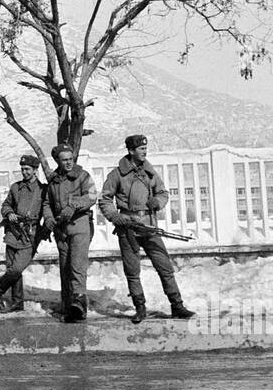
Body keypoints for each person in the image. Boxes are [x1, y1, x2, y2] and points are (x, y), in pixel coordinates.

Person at [98, 134, 196, 323]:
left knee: (165, 266)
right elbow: (104, 199)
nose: (145, 151)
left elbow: (163, 192)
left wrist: (157, 201)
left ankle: (177, 305)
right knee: (133, 271)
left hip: (149, 226)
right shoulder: (117, 174)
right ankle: (140, 307)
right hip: (128, 227)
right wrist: (116, 217)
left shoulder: (149, 172)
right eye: (141, 149)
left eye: (145, 148)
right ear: (131, 151)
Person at [0, 155, 51, 314]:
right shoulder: (15, 187)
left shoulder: (43, 190)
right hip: (13, 233)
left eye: (27, 169)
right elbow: (6, 205)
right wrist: (9, 214)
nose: (24, 172)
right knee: (12, 270)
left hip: (29, 235)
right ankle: (17, 302)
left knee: (16, 269)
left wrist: (45, 230)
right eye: (22, 169)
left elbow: (48, 210)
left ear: (35, 170)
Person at [46, 144, 98, 322]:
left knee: (77, 267)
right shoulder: (53, 181)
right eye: (64, 160)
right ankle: (68, 306)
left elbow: (92, 196)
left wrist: (73, 205)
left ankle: (79, 306)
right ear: (57, 161)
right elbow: (47, 203)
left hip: (79, 225)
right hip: (61, 229)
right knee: (65, 269)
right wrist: (48, 218)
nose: (68, 163)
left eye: (70, 159)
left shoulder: (83, 176)